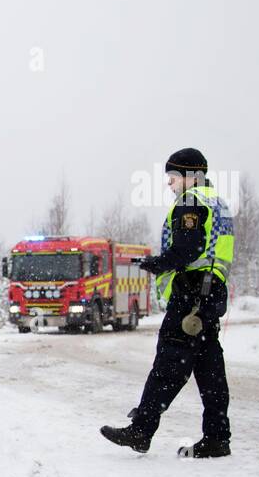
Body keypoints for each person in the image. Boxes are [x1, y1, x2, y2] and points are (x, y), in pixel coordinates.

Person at [100, 147, 234, 456]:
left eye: (173, 177)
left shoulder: (190, 202)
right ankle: (217, 437)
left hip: (190, 294)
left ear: (191, 177)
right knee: (209, 369)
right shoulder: (219, 204)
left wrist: (157, 264)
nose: (169, 184)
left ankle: (141, 431)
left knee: (169, 363)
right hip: (211, 294)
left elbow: (188, 248)